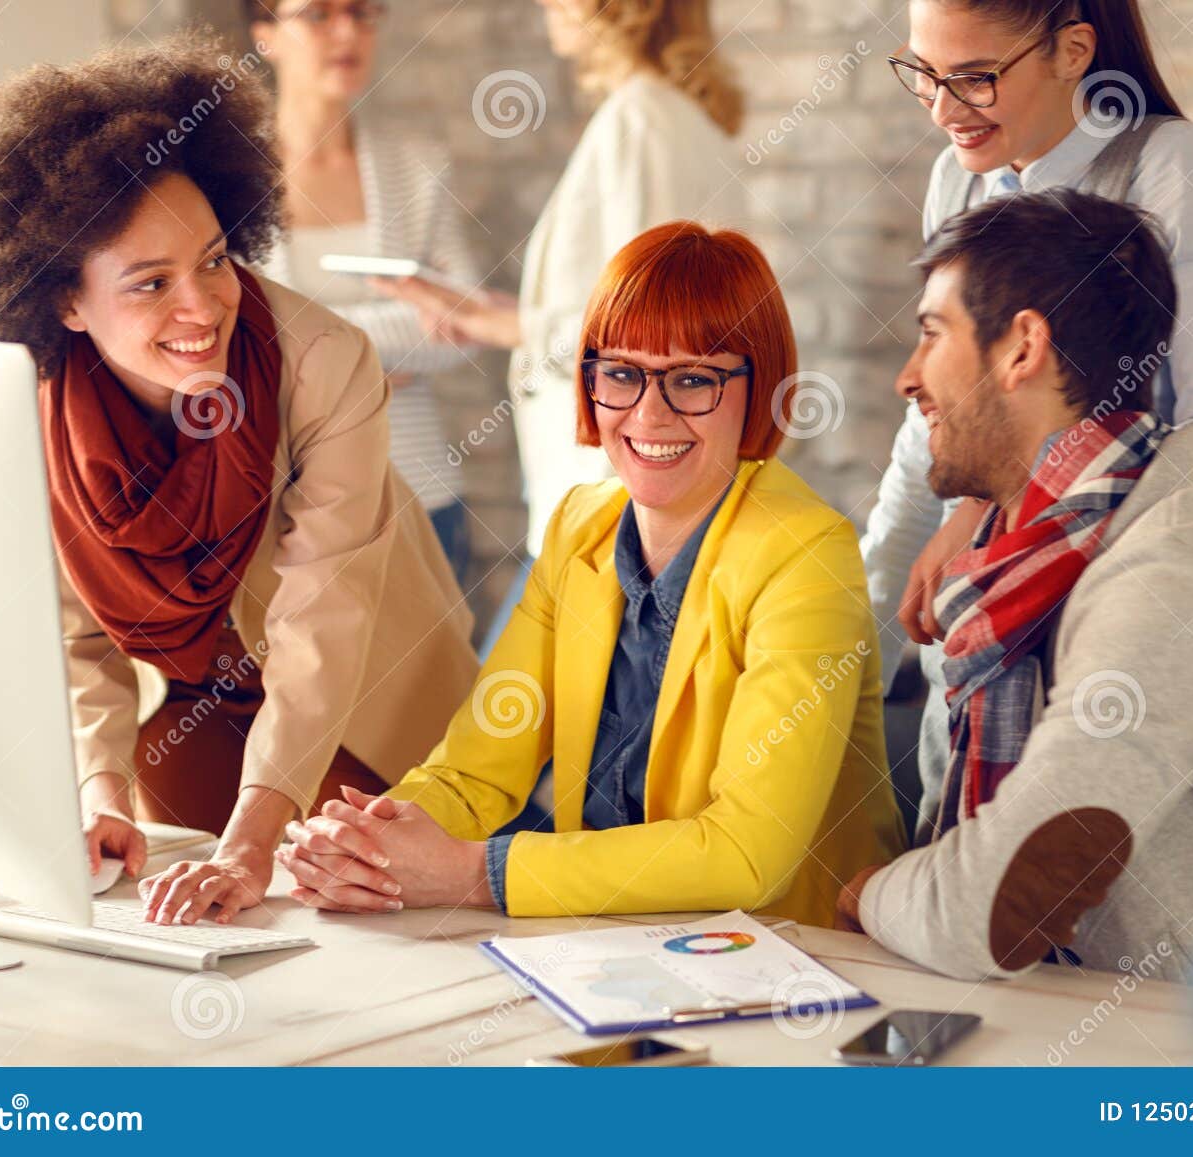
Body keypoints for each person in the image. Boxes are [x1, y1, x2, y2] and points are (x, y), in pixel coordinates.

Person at [0, 33, 478, 926]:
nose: (202, 306)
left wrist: (256, 838)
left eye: (215, 259)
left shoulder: (326, 361)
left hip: (357, 698)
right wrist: (99, 788)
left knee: (360, 928)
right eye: (150, 284)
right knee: (167, 932)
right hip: (182, 703)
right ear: (66, 301)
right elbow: (74, 633)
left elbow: (321, 622)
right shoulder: (32, 402)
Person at [275, 222, 906, 927]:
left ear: (758, 387)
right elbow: (477, 766)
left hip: (789, 962)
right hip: (607, 943)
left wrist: (474, 872)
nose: (648, 413)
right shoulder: (582, 524)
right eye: (622, 374)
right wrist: (376, 843)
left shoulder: (807, 553)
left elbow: (747, 853)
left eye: (693, 379)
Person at [836, 189, 1193, 983]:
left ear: (1022, 346)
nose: (908, 378)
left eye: (932, 336)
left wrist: (869, 896)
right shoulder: (1029, 562)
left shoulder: (1171, 582)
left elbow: (991, 910)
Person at [865, 0, 1193, 836]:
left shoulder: (1171, 169)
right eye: (923, 74)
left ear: (1073, 50)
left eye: (975, 78)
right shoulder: (959, 177)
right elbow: (937, 422)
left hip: (1107, 634)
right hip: (968, 627)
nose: (944, 109)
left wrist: (1000, 521)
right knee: (956, 879)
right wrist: (858, 643)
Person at [382, 0, 747, 656]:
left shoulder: (638, 118)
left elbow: (646, 330)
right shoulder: (673, 117)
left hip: (606, 506)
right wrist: (505, 315)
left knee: (496, 729)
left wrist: (506, 325)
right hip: (622, 502)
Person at [247, 0, 483, 584]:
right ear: (265, 35)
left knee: (441, 673)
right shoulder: (231, 180)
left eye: (360, 10)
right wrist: (387, 341)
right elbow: (239, 341)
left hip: (420, 487)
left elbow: (469, 322)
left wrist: (310, 351)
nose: (347, 30)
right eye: (318, 15)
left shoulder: (417, 168)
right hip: (287, 501)